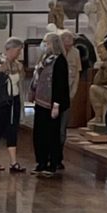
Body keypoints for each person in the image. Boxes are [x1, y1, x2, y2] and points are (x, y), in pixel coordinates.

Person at [29, 29, 70, 176]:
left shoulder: (59, 61)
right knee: (39, 134)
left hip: (53, 103)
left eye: (46, 42)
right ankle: (41, 162)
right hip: (40, 102)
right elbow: (37, 78)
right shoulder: (43, 59)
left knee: (52, 134)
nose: (43, 45)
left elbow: (60, 84)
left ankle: (52, 164)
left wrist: (57, 104)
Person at [0, 40, 24, 174]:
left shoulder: (18, 65)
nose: (19, 53)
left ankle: (13, 161)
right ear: (10, 49)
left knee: (13, 129)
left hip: (14, 100)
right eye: (18, 50)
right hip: (1, 101)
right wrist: (0, 71)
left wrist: (22, 104)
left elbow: (20, 85)